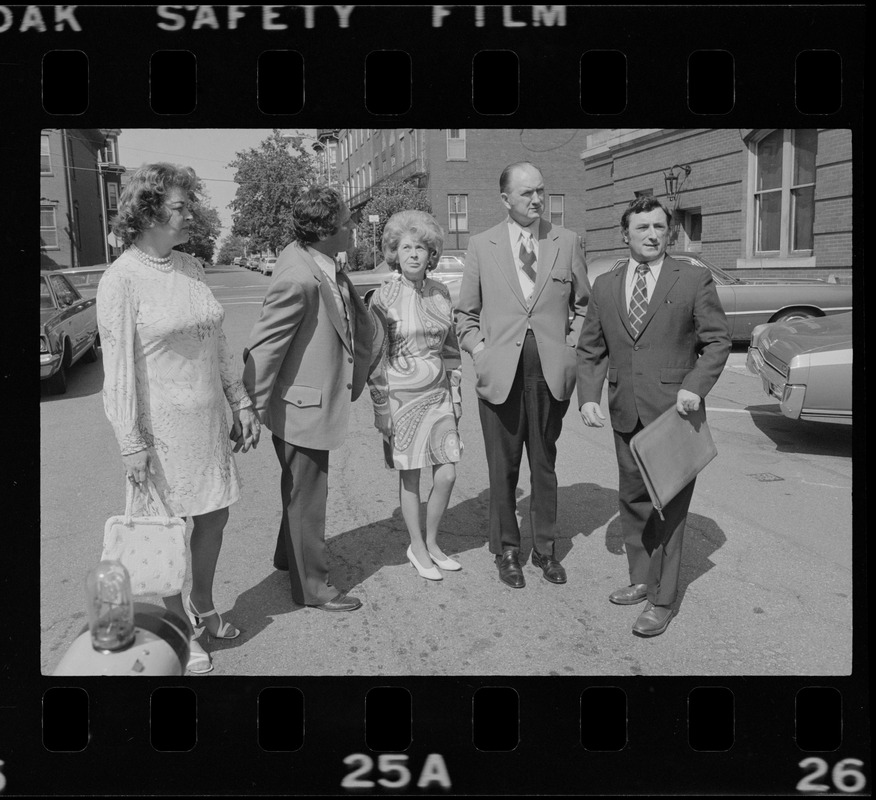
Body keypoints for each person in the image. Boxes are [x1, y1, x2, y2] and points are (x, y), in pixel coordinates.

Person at [98, 163, 261, 674]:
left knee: (214, 516)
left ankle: (204, 603)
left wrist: (241, 402)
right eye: (179, 205)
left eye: (189, 203)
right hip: (159, 431)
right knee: (166, 534)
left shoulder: (191, 268)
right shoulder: (120, 279)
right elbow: (119, 369)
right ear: (147, 212)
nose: (190, 212)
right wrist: (130, 441)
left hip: (208, 423)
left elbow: (218, 343)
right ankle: (179, 627)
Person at [577, 196, 731, 637]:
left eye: (659, 227)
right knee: (633, 501)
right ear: (624, 235)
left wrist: (694, 386)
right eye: (642, 227)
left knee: (671, 509)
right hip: (626, 409)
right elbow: (591, 347)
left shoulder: (693, 279)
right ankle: (642, 578)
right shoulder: (605, 284)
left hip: (675, 415)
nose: (651, 235)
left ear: (669, 232)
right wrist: (589, 395)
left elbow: (717, 341)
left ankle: (663, 600)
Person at [456, 162, 590, 589]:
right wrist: (480, 350)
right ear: (505, 199)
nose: (536, 200)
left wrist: (570, 348)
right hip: (501, 375)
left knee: (544, 465)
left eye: (541, 192)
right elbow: (465, 314)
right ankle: (507, 550)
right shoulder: (482, 245)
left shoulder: (565, 241)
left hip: (549, 375)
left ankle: (545, 550)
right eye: (527, 193)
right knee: (503, 467)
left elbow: (585, 306)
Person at [242, 186, 374, 612]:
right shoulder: (299, 276)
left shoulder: (315, 258)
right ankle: (313, 587)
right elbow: (265, 348)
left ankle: (289, 558)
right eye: (346, 220)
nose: (352, 226)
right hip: (302, 405)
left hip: (310, 399)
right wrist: (250, 410)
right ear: (324, 229)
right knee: (308, 497)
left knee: (299, 491)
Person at [368, 211, 463, 582]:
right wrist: (380, 409)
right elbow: (375, 357)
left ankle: (433, 542)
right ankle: (417, 547)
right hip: (400, 396)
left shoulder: (440, 292)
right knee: (411, 477)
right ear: (394, 252)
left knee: (447, 475)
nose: (412, 254)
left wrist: (456, 398)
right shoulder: (382, 296)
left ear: (430, 253)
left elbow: (451, 350)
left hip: (439, 394)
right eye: (405, 247)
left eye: (420, 247)